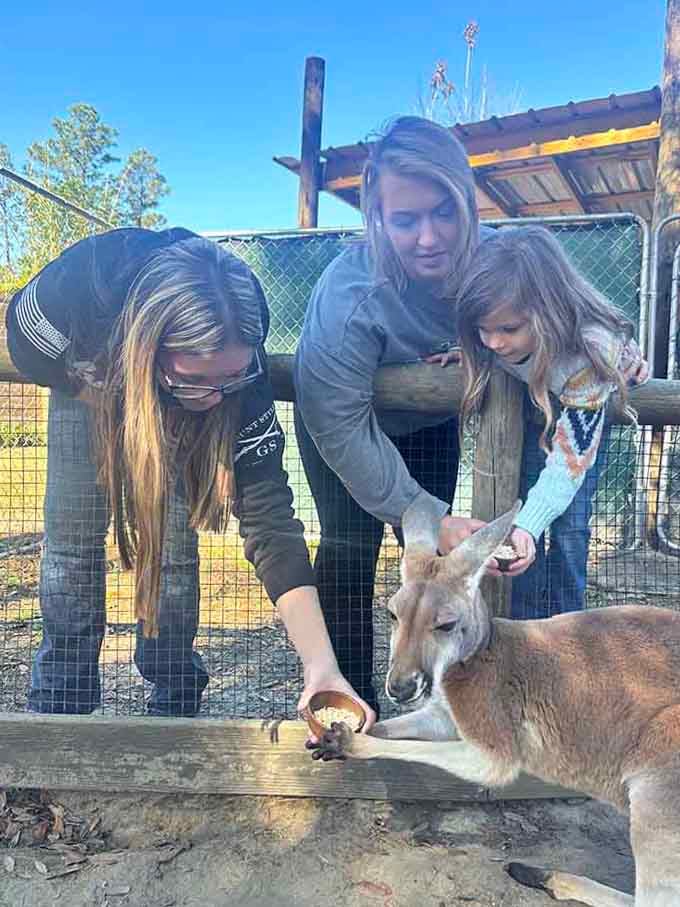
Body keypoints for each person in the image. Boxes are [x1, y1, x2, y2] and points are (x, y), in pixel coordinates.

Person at [6, 227, 373, 721]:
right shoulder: (79, 289)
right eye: (197, 377)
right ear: (151, 349)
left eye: (231, 376)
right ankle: (61, 700)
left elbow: (271, 522)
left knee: (175, 546)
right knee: (71, 540)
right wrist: (122, 405)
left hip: (156, 389)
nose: (216, 394)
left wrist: (321, 667)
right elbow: (23, 336)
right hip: (91, 381)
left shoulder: (239, 375)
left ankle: (175, 690)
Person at [294, 116, 487, 714]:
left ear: (466, 202)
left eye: (444, 213)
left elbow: (563, 317)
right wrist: (423, 510)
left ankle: (439, 692)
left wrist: (480, 350)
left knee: (430, 564)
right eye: (405, 220)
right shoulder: (350, 293)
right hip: (341, 426)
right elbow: (340, 420)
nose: (429, 237)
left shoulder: (498, 261)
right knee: (350, 545)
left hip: (427, 425)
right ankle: (346, 694)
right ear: (377, 217)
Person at [457, 224, 649, 618]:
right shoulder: (493, 339)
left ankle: (568, 628)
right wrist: (458, 354)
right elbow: (489, 341)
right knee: (522, 511)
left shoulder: (588, 355)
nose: (492, 342)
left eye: (507, 329)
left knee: (570, 528)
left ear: (547, 313)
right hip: (536, 414)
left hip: (582, 419)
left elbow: (568, 465)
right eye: (483, 330)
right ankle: (527, 629)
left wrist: (528, 526)